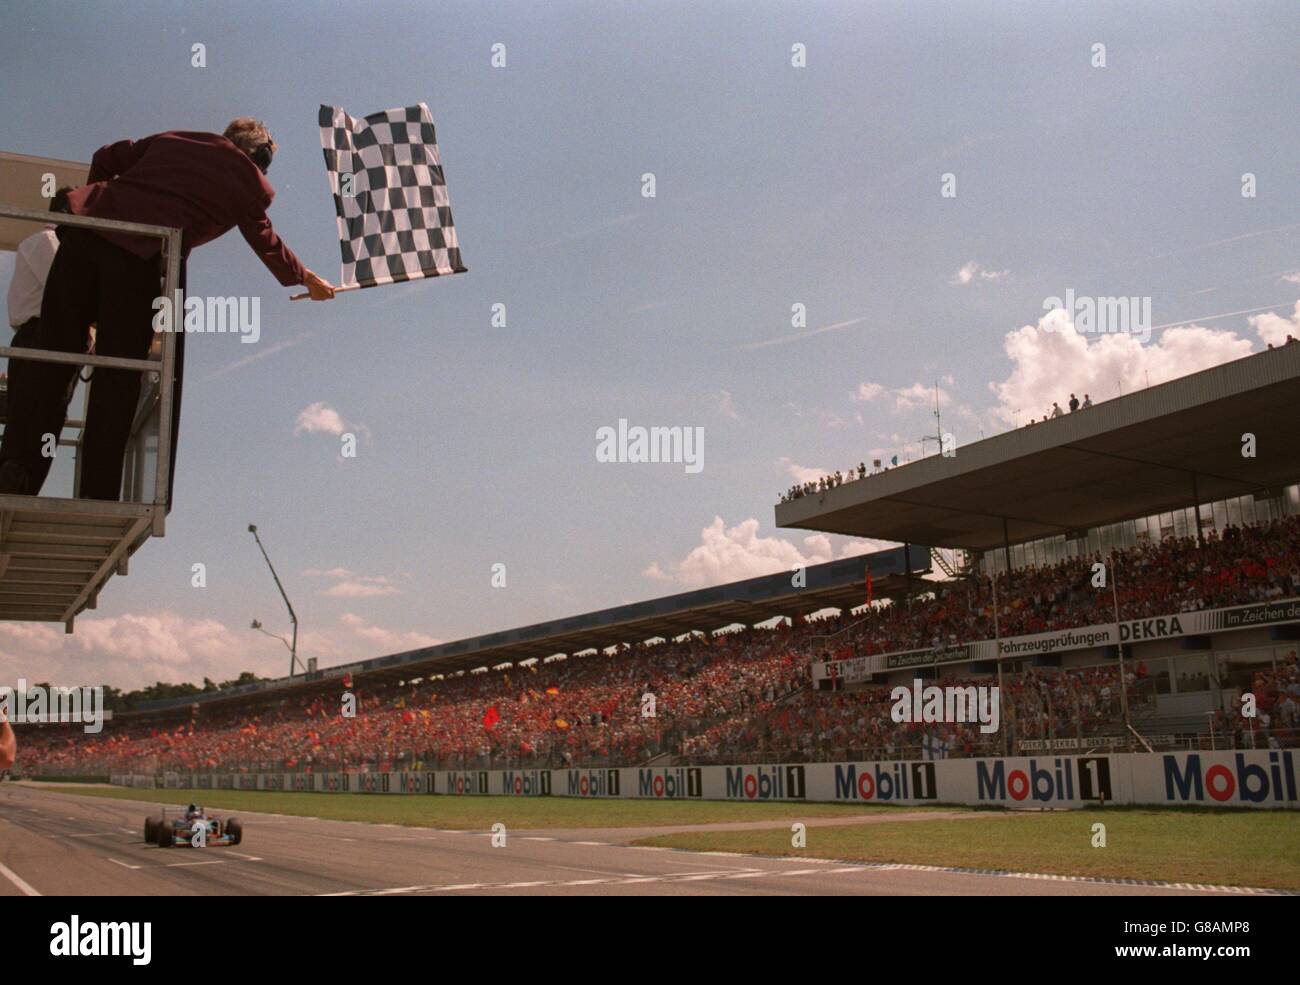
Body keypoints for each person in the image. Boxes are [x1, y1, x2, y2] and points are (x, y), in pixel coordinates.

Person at [0, 118, 337, 499]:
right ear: (257, 155)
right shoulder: (249, 179)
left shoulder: (173, 138)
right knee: (119, 377)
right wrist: (306, 277)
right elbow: (265, 238)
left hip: (81, 239)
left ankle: (18, 470)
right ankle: (97, 490)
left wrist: (99, 206)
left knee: (52, 360)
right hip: (137, 260)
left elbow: (105, 157)